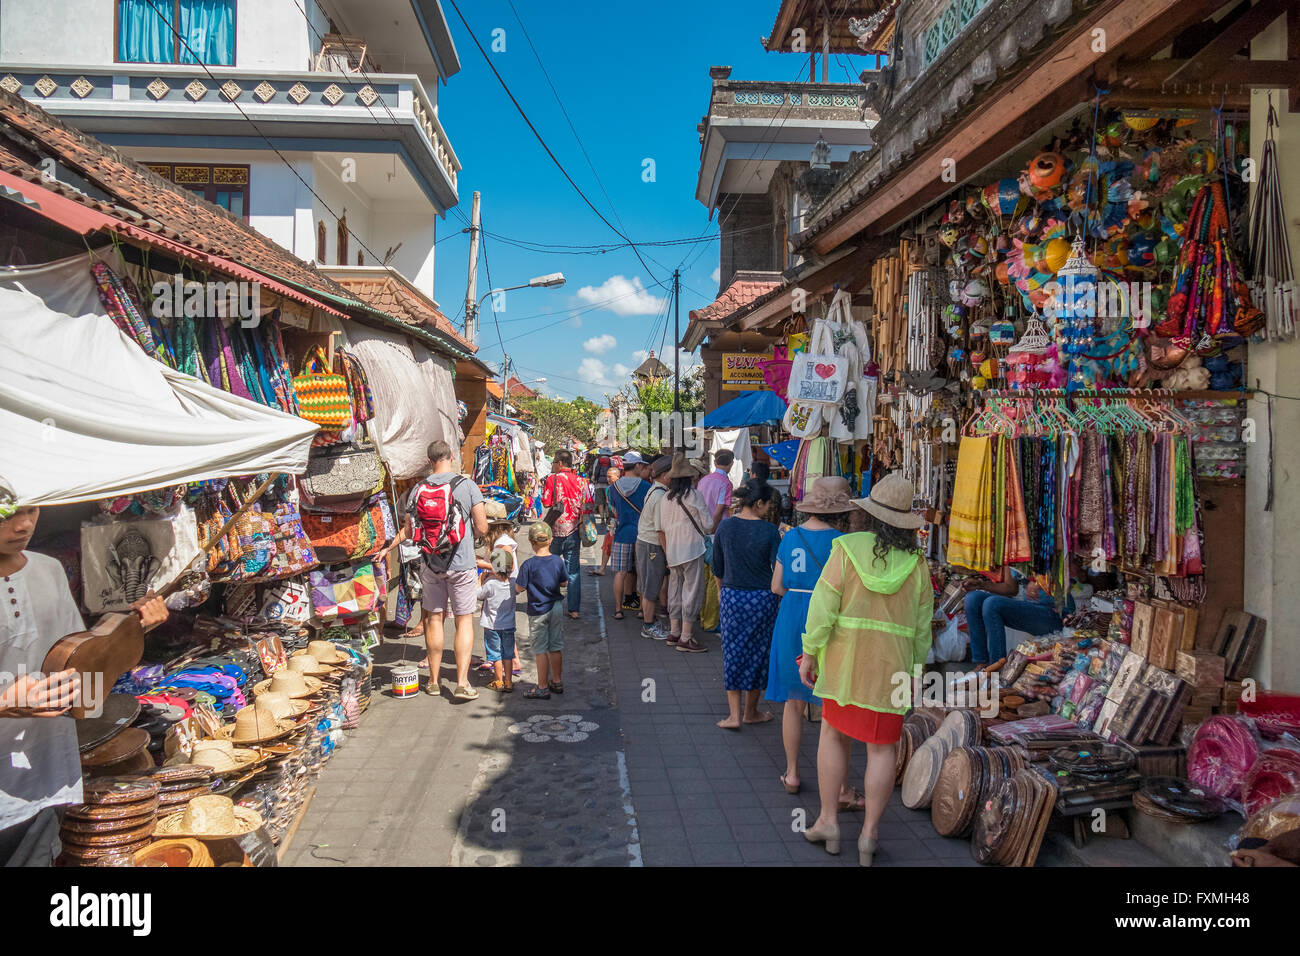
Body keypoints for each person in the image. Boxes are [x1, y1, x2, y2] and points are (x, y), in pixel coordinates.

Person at [0, 485, 168, 864]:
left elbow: (82, 673)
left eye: (32, 508)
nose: (24, 524)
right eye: (8, 514)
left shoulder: (48, 569)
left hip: (45, 774)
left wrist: (132, 633)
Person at [798, 472, 933, 865]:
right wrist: (916, 671)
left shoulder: (846, 547)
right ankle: (869, 836)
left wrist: (809, 653)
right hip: (892, 669)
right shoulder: (917, 564)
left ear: (870, 515)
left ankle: (828, 821)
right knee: (882, 748)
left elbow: (823, 609)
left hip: (845, 662)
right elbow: (923, 628)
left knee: (833, 735)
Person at [767, 477, 851, 795]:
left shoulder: (790, 538)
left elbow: (776, 586)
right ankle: (840, 785)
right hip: (829, 619)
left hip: (791, 616)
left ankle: (791, 773)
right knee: (832, 701)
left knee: (793, 701)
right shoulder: (843, 542)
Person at [405, 440, 489, 702]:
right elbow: (483, 527)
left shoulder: (418, 489)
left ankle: (432, 680)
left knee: (433, 619)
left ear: (429, 461)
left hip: (430, 563)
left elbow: (409, 531)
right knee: (464, 620)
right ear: (452, 457)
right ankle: (462, 682)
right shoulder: (467, 486)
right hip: (462, 563)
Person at [712, 478, 781, 730]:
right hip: (763, 599)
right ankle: (751, 711)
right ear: (759, 503)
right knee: (759, 653)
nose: (768, 509)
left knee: (732, 652)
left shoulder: (726, 527)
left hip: (732, 596)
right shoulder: (770, 531)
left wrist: (721, 591)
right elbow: (778, 568)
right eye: (767, 505)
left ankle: (733, 715)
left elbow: (717, 565)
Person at [962, 563, 1073, 667]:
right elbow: (1011, 588)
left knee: (992, 604)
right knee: (972, 598)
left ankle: (996, 666)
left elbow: (1070, 566)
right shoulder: (1014, 549)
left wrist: (1039, 581)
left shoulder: (1047, 545)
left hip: (1056, 614)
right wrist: (982, 585)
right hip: (1030, 609)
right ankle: (982, 663)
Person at [658, 454, 711, 654]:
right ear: (689, 477)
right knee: (691, 591)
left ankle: (674, 632)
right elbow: (708, 525)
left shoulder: (665, 498)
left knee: (675, 589)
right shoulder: (694, 496)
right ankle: (686, 637)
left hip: (672, 551)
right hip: (692, 549)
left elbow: (662, 526)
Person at [516, 523, 568, 699]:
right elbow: (564, 583)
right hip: (556, 607)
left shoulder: (528, 565)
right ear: (551, 540)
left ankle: (542, 686)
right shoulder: (557, 561)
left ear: (531, 542)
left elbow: (519, 588)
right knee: (555, 646)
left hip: (538, 609)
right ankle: (557, 681)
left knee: (540, 649)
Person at [540, 449, 589, 621]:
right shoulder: (582, 481)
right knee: (573, 572)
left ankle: (549, 606)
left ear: (559, 463)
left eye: (553, 462)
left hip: (554, 531)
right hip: (574, 531)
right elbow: (587, 504)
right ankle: (574, 609)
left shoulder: (552, 479)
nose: (553, 466)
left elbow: (546, 502)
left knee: (548, 568)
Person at [476, 502, 521, 678]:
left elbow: (506, 569)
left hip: (502, 587)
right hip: (502, 586)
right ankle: (507, 661)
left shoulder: (503, 543)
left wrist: (483, 565)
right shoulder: (501, 541)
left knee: (497, 625)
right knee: (503, 625)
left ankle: (505, 665)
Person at [636, 455, 672, 640]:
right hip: (652, 544)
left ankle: (649, 620)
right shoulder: (659, 496)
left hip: (645, 541)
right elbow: (660, 530)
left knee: (648, 584)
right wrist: (668, 554)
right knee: (651, 587)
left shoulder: (655, 490)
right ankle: (648, 626)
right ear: (665, 475)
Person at [608, 458, 648, 620]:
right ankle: (642, 610)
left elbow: (613, 510)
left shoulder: (613, 488)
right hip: (642, 534)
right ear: (637, 465)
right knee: (642, 572)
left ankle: (618, 609)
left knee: (620, 573)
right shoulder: (646, 487)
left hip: (621, 533)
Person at [478, 549, 517, 694]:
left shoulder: (490, 583)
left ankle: (498, 680)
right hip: (509, 624)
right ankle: (508, 682)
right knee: (508, 653)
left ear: (493, 566)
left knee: (495, 654)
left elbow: (478, 595)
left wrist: (480, 581)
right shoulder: (513, 583)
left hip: (491, 625)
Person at [697, 449, 735, 531]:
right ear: (732, 463)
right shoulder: (726, 483)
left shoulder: (703, 480)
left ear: (715, 462)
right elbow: (718, 512)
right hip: (718, 528)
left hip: (701, 525)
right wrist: (712, 531)